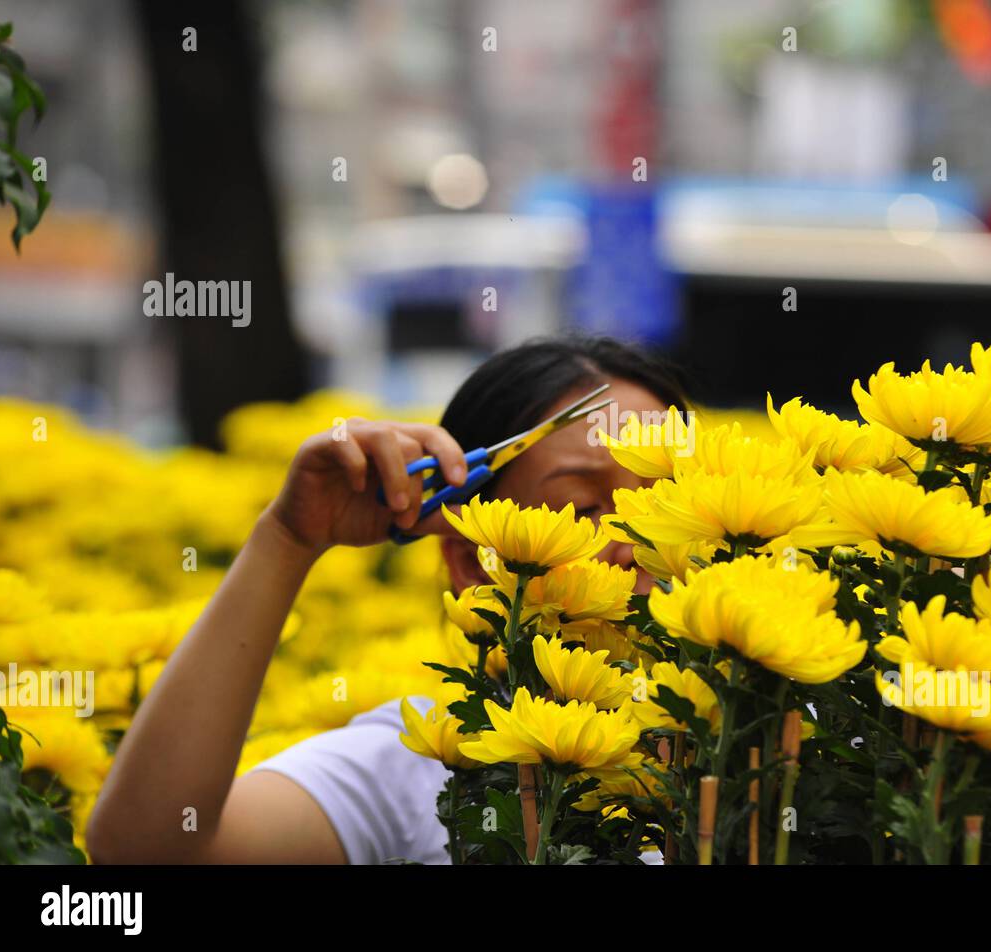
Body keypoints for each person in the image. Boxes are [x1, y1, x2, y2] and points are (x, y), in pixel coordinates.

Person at [85, 336, 687, 864]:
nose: (635, 544)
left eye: (666, 508)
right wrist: (288, 540)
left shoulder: (767, 756)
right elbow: (147, 848)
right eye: (583, 510)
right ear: (469, 562)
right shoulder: (421, 766)